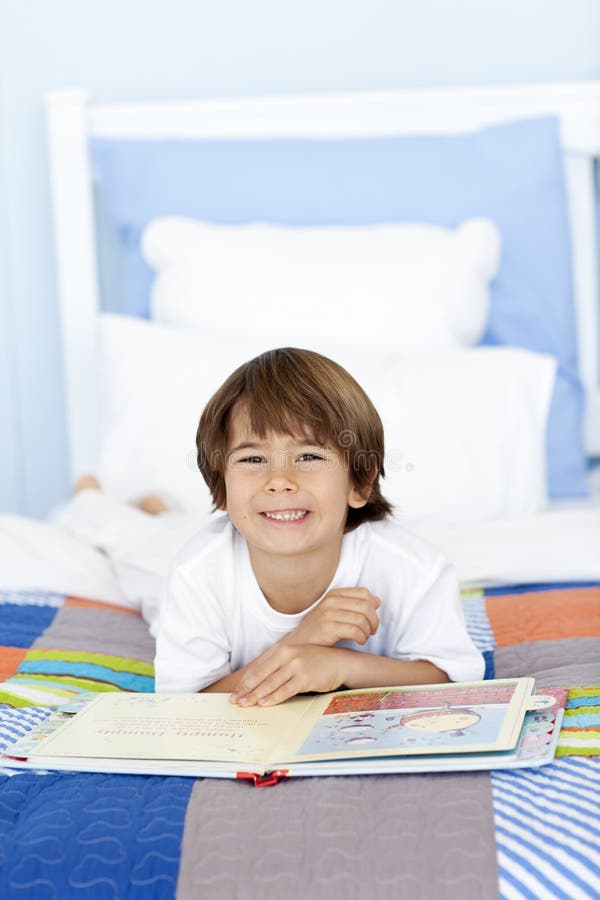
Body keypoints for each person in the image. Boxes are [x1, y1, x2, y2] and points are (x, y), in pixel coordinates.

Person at [154, 347, 484, 706]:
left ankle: (161, 512)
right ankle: (129, 506)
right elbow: (183, 706)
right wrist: (303, 639)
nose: (279, 481)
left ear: (360, 483)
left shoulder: (415, 569)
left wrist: (343, 665)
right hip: (160, 567)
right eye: (252, 459)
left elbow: (453, 681)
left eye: (309, 456)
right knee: (135, 552)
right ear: (219, 488)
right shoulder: (196, 572)